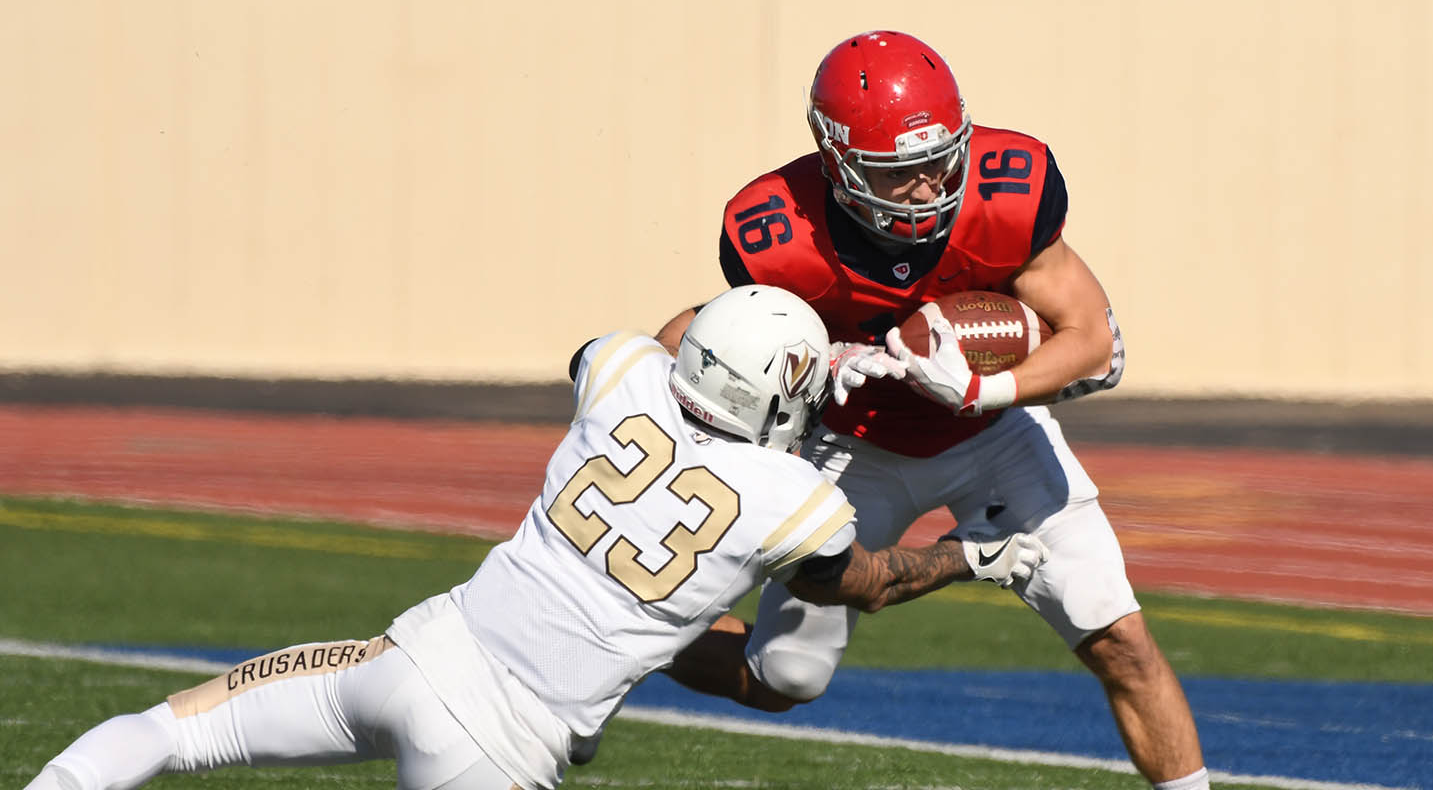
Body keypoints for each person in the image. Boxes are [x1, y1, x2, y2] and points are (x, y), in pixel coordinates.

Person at [26, 284, 1047, 790]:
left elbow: (646, 341)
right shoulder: (793, 496)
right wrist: (976, 550)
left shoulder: (620, 377)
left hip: (410, 654)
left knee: (172, 727)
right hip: (498, 741)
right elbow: (861, 581)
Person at [655, 31, 1208, 789]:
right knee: (786, 675)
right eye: (900, 171)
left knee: (1122, 642)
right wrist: (822, 366)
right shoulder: (781, 237)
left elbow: (1093, 337)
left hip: (995, 433)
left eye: (941, 158)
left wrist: (986, 390)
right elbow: (686, 339)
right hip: (853, 450)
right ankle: (636, 649)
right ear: (836, 161)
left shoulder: (1006, 192)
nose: (929, 184)